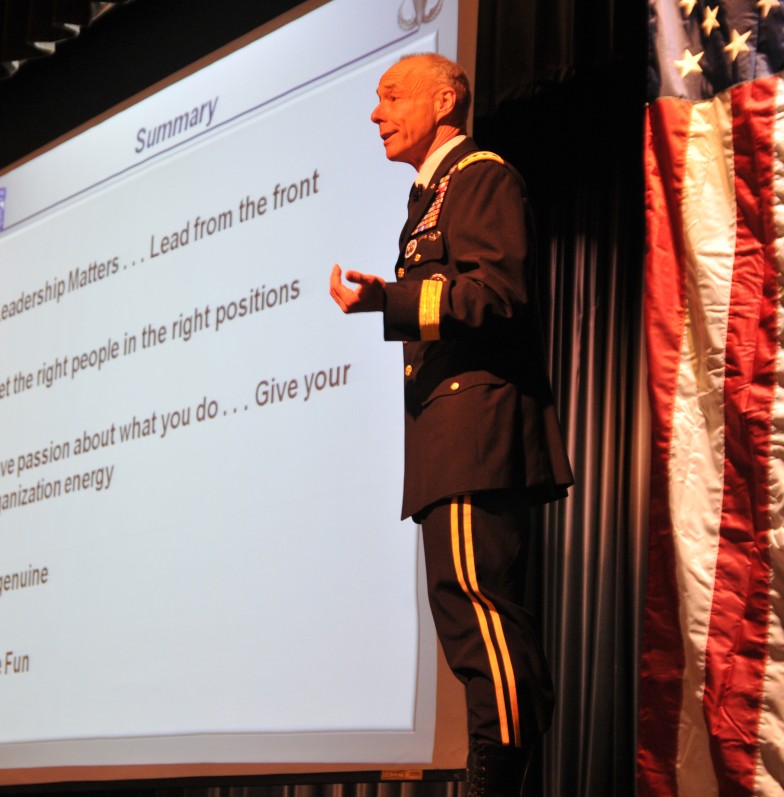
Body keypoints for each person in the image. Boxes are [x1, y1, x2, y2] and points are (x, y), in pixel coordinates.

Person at [329, 53, 572, 796]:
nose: (376, 113)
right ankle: (496, 765)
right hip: (445, 440)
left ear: (444, 100)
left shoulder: (479, 175)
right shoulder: (429, 194)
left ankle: (496, 775)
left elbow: (497, 291)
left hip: (474, 432)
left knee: (479, 607)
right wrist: (394, 300)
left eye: (390, 95)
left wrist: (392, 302)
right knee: (464, 612)